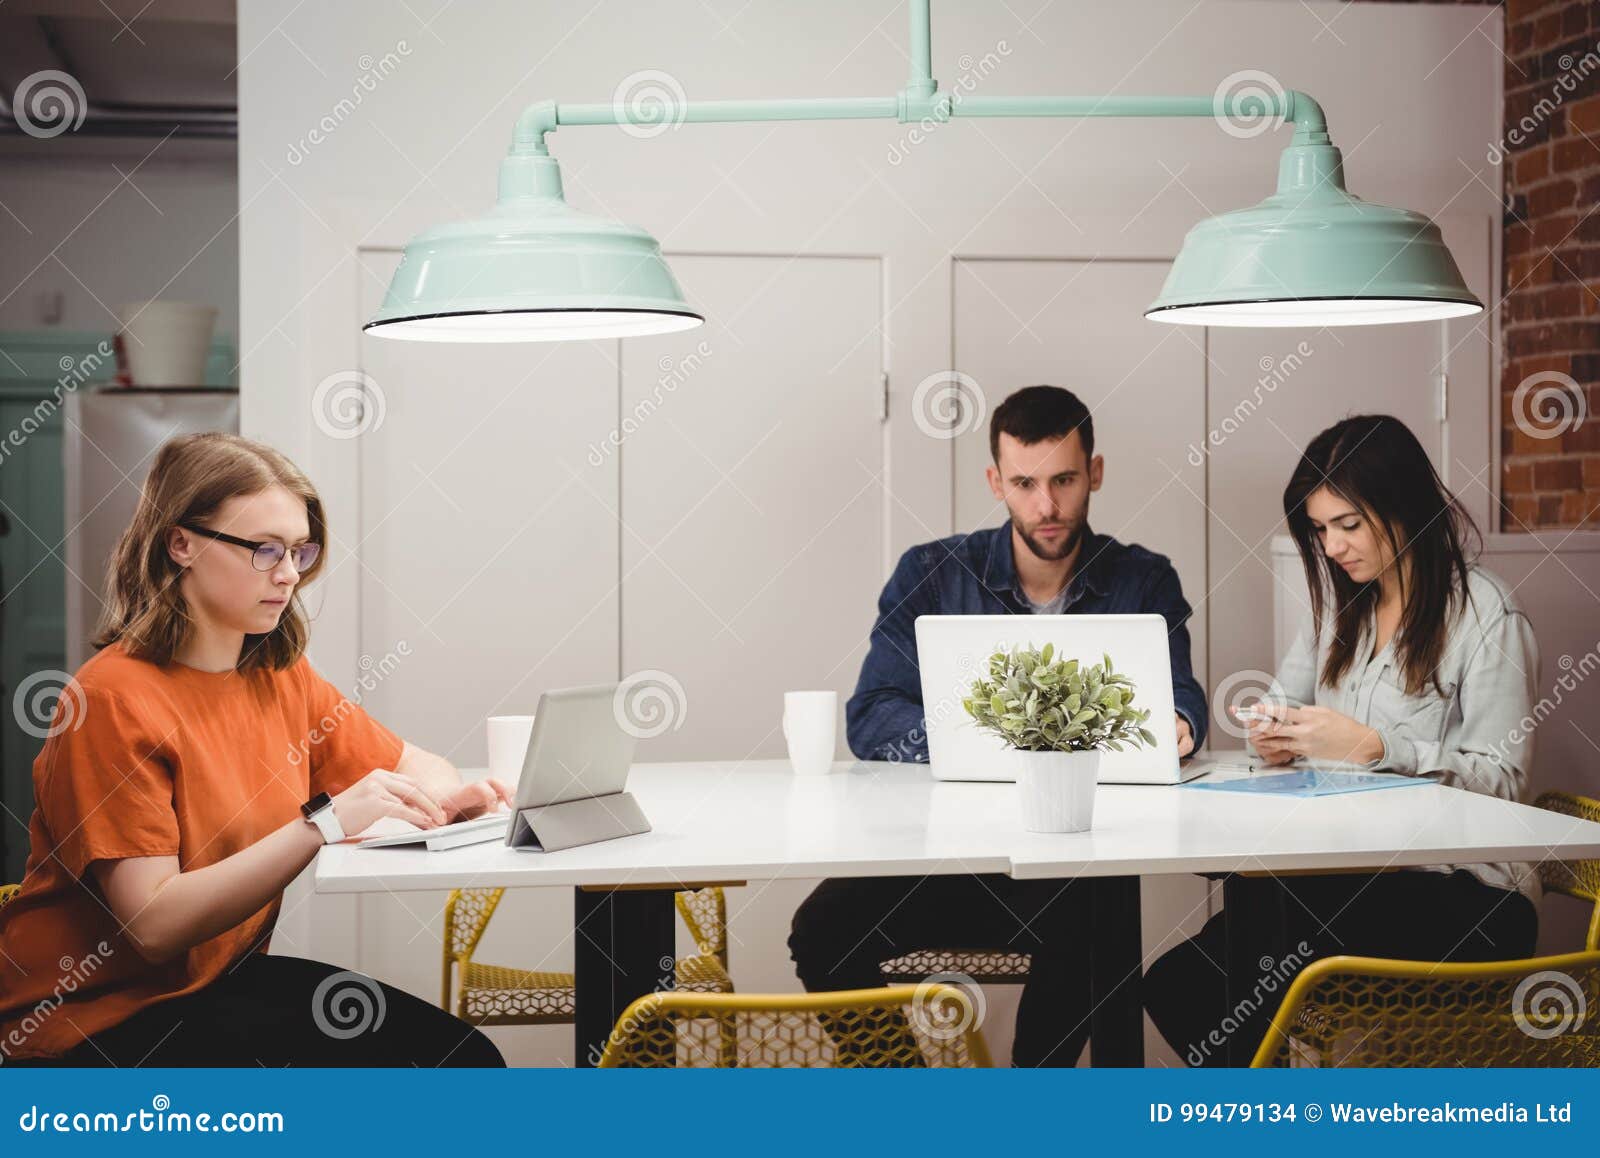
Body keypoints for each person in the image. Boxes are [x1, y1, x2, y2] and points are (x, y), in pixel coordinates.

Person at [0, 433, 512, 1067]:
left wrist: (446, 798)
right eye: (264, 549)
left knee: (462, 1056)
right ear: (180, 543)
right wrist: (322, 825)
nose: (289, 574)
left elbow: (414, 765)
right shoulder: (109, 700)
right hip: (92, 1023)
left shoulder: (278, 676)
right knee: (441, 1071)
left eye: (299, 550)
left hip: (215, 984)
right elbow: (154, 926)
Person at [787, 384, 1207, 1066]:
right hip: (945, 857)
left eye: (1065, 480)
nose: (1047, 506)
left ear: (1094, 472)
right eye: (1025, 483)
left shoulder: (1143, 580)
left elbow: (1183, 699)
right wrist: (1005, 744)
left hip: (1072, 869)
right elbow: (870, 716)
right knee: (823, 929)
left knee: (1098, 926)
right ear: (996, 482)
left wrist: (1181, 724)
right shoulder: (930, 573)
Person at [1143, 414, 1541, 1066]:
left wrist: (1376, 747)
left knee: (1262, 910)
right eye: (1320, 529)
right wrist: (1272, 737)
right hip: (1346, 879)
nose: (1332, 547)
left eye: (1348, 525)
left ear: (1404, 505)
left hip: (1470, 899)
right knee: (1177, 980)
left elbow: (1505, 784)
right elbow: (1280, 709)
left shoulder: (1486, 614)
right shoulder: (1340, 614)